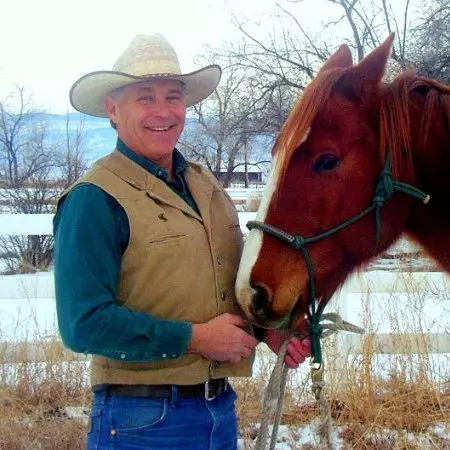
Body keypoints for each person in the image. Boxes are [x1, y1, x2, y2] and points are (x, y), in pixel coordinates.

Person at [53, 33, 311, 450]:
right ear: (113, 110)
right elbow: (82, 325)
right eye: (145, 98)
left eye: (173, 97)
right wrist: (197, 339)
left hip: (218, 411)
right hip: (141, 421)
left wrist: (269, 333)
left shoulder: (204, 183)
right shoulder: (95, 199)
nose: (163, 111)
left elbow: (223, 283)